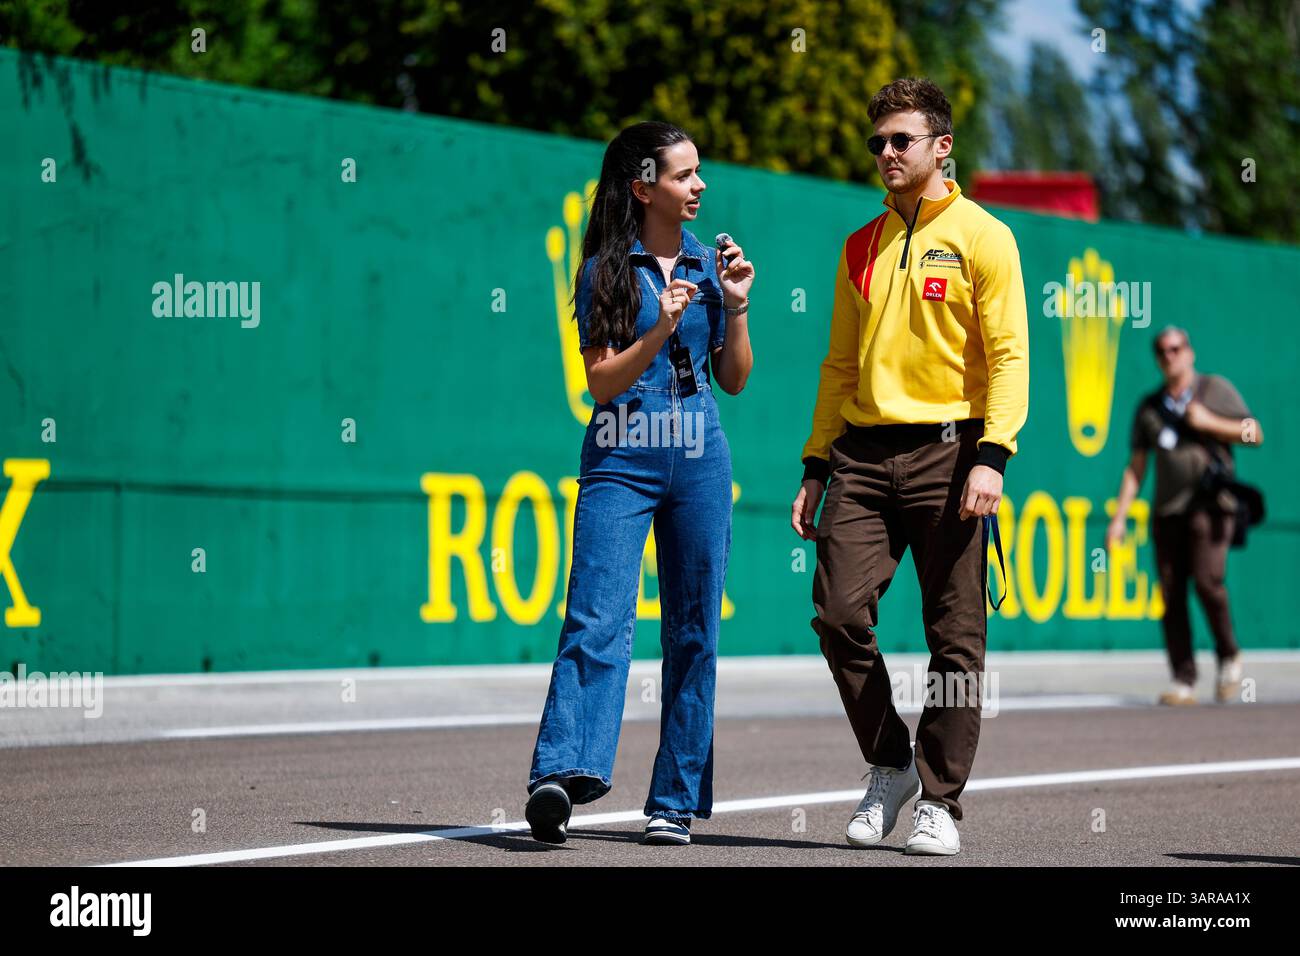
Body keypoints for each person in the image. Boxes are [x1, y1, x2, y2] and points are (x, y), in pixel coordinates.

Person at [791, 78, 1029, 856]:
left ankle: (940, 801)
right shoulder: (859, 246)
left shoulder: (984, 236)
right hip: (861, 453)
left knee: (955, 642)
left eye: (902, 140)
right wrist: (817, 463)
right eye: (879, 143)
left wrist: (991, 455)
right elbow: (836, 365)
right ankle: (891, 761)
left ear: (941, 146)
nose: (887, 154)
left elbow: (1009, 357)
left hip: (951, 452)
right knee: (836, 612)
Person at [525, 121, 755, 847]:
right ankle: (561, 776)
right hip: (622, 452)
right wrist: (658, 331)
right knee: (595, 615)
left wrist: (738, 305)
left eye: (699, 173)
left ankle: (673, 802)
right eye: (685, 175)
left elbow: (735, 379)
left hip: (700, 454)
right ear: (643, 187)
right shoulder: (604, 270)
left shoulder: (710, 263)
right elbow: (600, 383)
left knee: (695, 630)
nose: (700, 186)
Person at [1106, 325, 1263, 706]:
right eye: (1162, 351)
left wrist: (1210, 422)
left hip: (1211, 507)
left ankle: (1229, 656)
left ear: (1190, 352)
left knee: (1209, 583)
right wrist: (1119, 518)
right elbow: (1136, 467)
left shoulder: (1214, 390)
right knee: (1172, 593)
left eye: (1176, 348)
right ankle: (1183, 677)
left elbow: (1253, 433)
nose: (1169, 356)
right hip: (1166, 511)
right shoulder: (1150, 408)